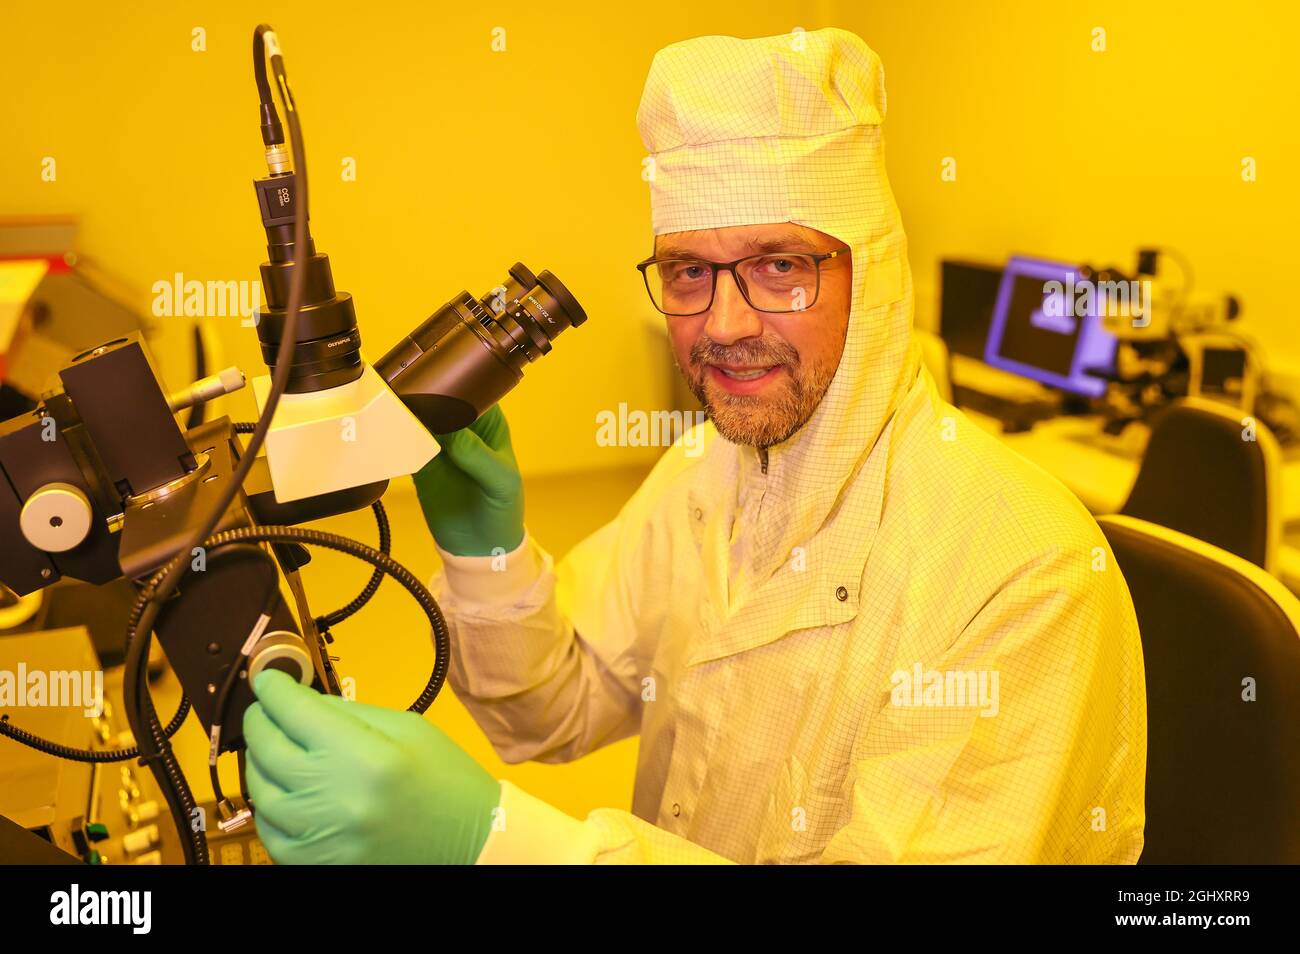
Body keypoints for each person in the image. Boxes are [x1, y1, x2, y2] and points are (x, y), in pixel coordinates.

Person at [242, 27, 1147, 865]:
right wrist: (489, 554)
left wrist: (503, 844)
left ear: (868, 274)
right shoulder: (707, 473)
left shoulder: (1023, 574)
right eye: (687, 271)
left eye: (779, 265)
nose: (723, 323)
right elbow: (553, 709)